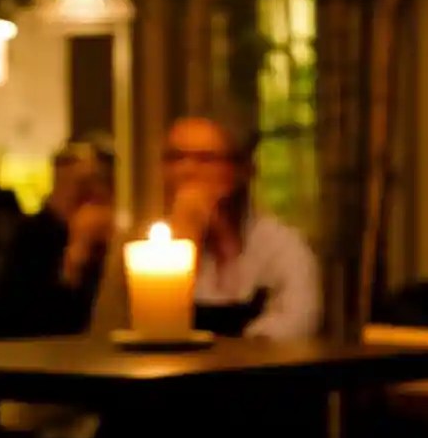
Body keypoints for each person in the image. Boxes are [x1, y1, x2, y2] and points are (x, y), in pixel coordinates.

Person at [92, 115, 321, 339]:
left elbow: (296, 323)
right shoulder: (138, 248)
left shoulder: (279, 246)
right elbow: (108, 330)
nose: (186, 171)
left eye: (205, 159)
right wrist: (182, 242)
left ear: (241, 171)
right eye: (175, 158)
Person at [0, 146, 115, 337]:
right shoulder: (32, 236)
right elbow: (23, 319)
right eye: (83, 184)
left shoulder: (106, 238)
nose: (96, 192)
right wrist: (75, 257)